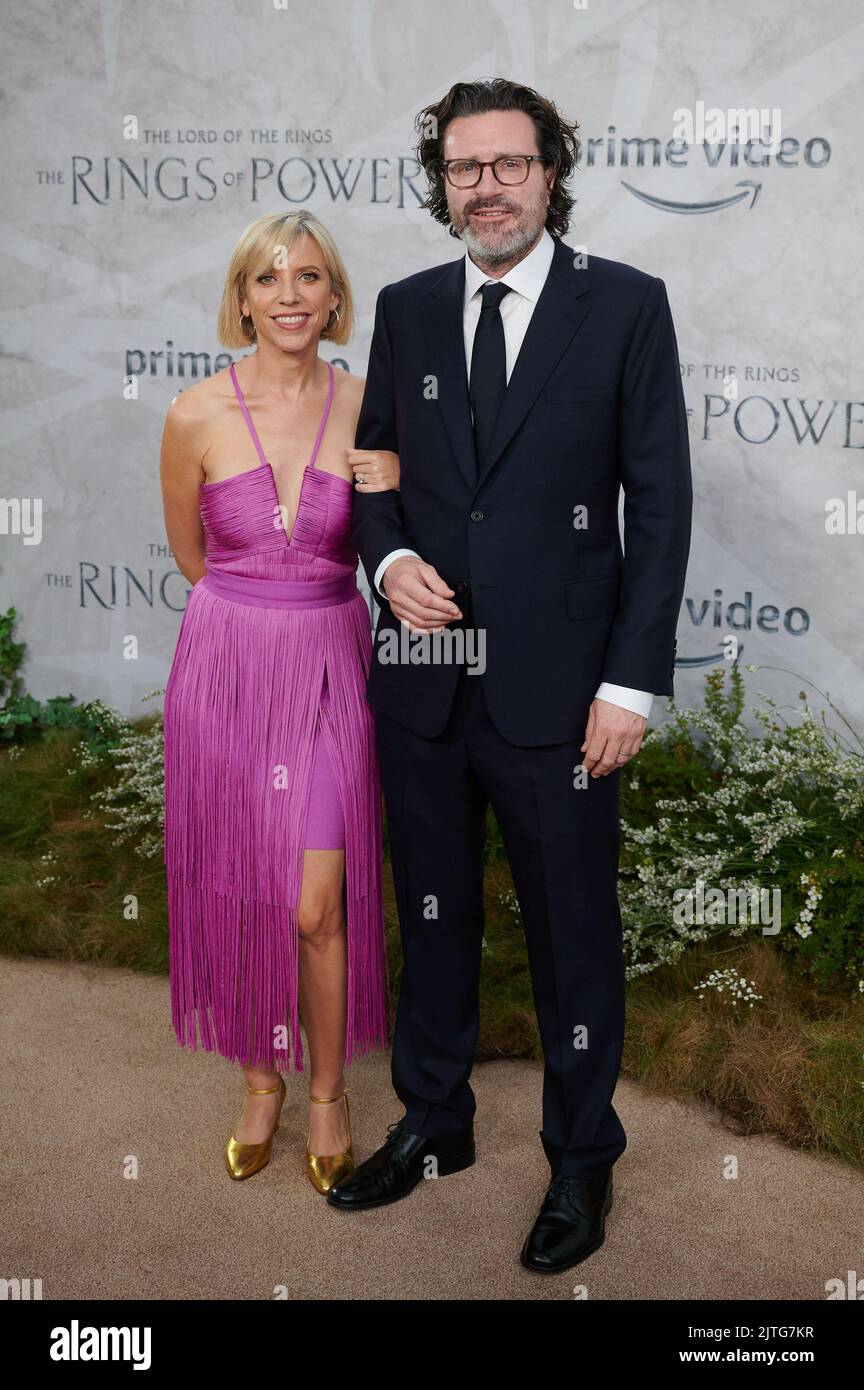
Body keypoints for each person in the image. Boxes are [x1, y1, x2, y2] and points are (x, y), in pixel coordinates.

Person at [330, 79, 693, 1273]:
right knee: (431, 917)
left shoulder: (628, 307)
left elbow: (663, 505)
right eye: (464, 166)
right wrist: (384, 566)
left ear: (550, 173)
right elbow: (373, 470)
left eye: (510, 163)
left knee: (572, 933)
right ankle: (437, 1124)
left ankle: (582, 1159)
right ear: (444, 184)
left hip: (565, 684)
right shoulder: (408, 307)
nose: (487, 183)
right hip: (427, 669)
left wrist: (629, 686)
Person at [159, 209, 399, 1193]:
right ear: (243, 298)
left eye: (309, 276)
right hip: (224, 669)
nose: (290, 294)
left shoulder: (373, 409)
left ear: (336, 297)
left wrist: (393, 483)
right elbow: (191, 557)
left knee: (314, 904)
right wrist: (252, 610)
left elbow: (396, 543)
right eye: (269, 277)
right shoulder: (192, 415)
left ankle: (331, 1092)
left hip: (334, 665)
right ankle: (261, 1081)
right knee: (244, 888)